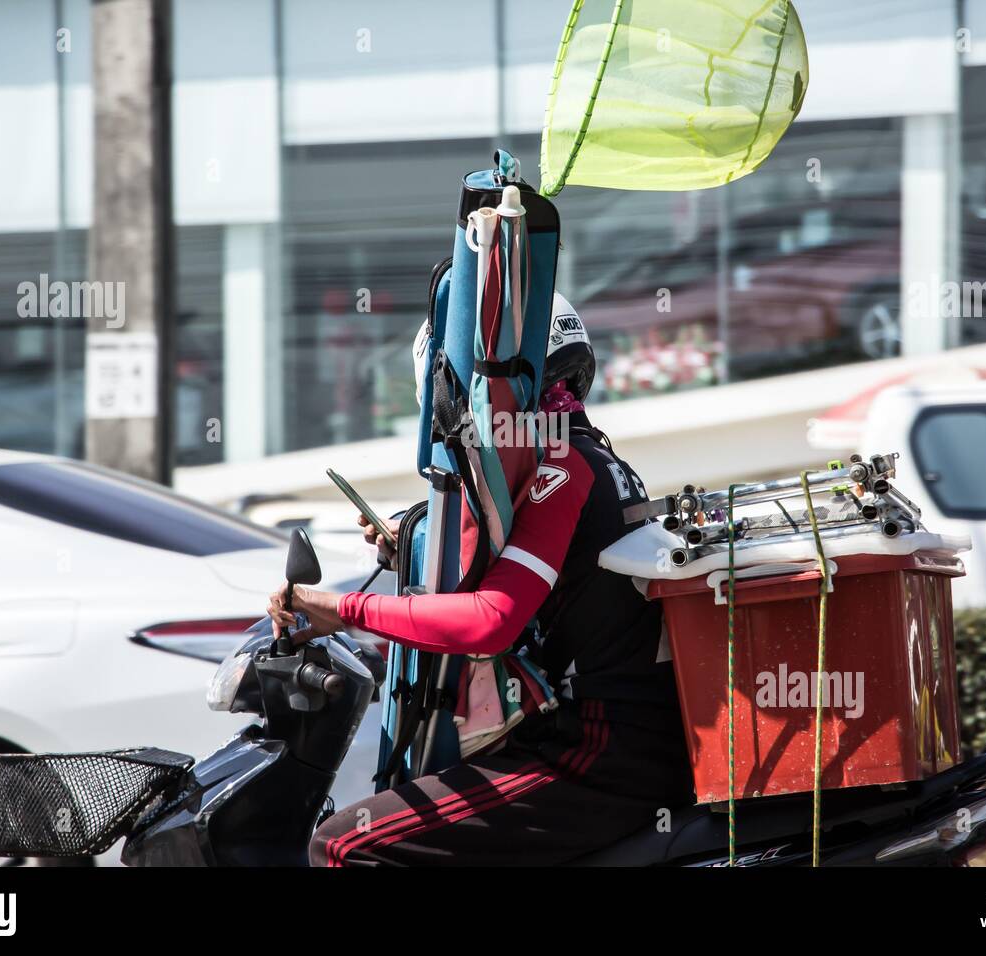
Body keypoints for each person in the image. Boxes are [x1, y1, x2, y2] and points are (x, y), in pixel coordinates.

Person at [267, 294, 693, 866]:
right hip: (620, 748)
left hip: (599, 761)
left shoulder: (561, 470)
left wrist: (340, 609)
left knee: (344, 844)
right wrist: (415, 546)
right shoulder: (590, 459)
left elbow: (492, 620)